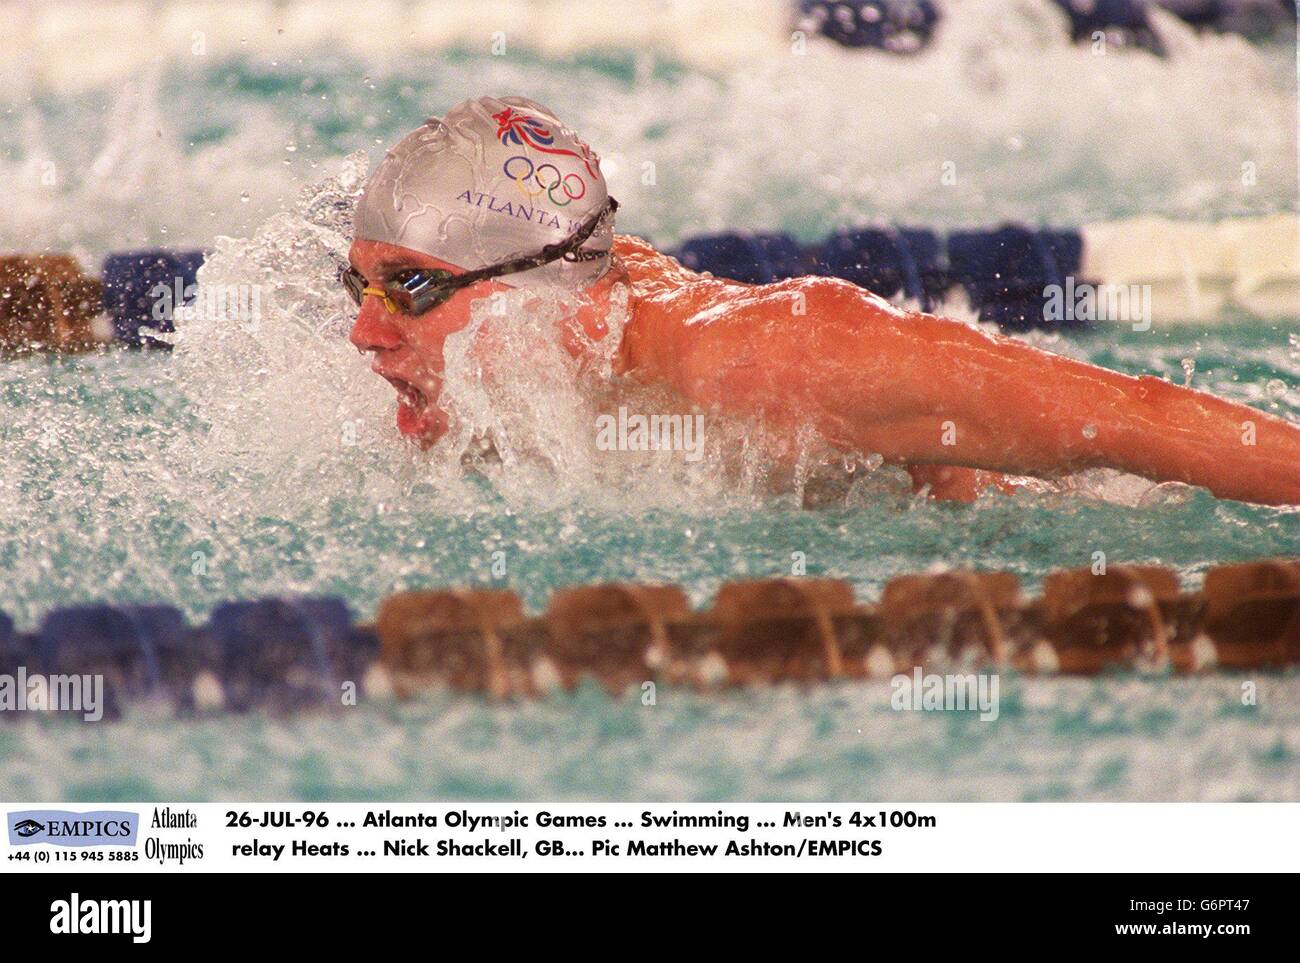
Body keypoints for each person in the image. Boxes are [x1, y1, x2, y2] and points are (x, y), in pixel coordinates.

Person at [345, 95, 1300, 505]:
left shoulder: (772, 360)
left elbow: (1135, 419)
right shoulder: (527, 342)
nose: (364, 330)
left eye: (410, 288)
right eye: (360, 285)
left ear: (551, 297)